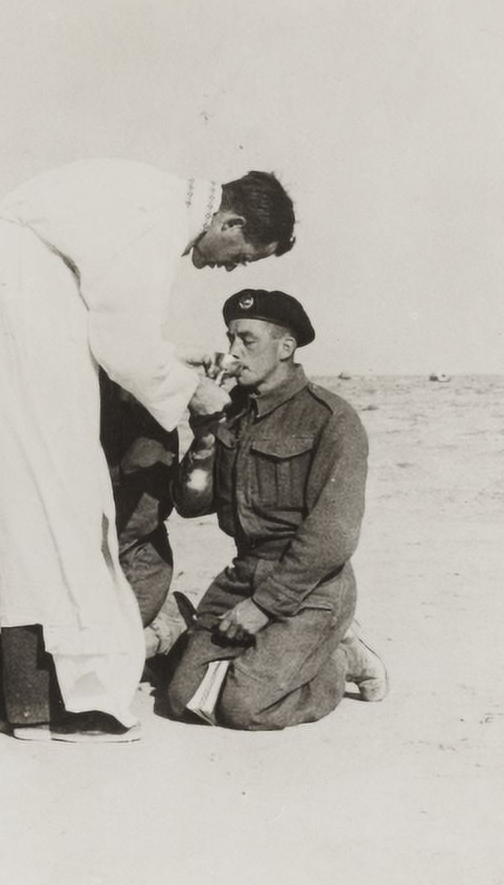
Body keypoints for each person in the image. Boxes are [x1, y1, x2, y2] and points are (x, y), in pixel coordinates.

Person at [0, 159, 295, 741]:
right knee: (60, 500)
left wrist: (173, 365)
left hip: (10, 291)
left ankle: (27, 700)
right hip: (19, 296)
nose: (230, 266)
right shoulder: (158, 223)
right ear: (230, 222)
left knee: (30, 499)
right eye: (243, 254)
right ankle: (77, 700)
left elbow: (116, 330)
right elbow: (123, 344)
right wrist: (195, 393)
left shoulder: (153, 198)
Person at [165, 289, 388, 730]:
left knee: (244, 707)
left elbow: (333, 536)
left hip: (311, 586)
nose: (232, 352)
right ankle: (288, 653)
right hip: (243, 575)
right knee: (183, 699)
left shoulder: (330, 418)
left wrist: (264, 608)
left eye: (247, 340)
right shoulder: (231, 416)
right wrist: (205, 441)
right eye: (230, 338)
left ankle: (341, 657)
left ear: (285, 348)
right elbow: (190, 506)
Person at [98, 369, 188, 663]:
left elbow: (137, 522)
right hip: (94, 561)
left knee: (104, 660)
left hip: (133, 565)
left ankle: (167, 626)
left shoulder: (148, 417)